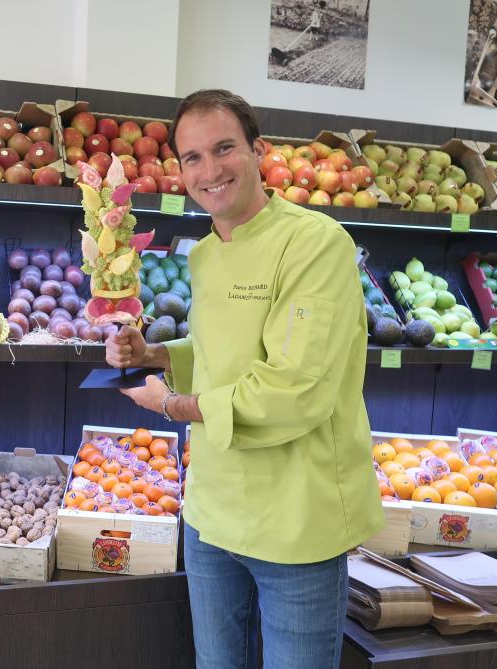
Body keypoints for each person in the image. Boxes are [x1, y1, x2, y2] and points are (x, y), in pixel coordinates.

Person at [105, 89, 383, 669]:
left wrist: (171, 406)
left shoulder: (316, 244)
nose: (210, 170)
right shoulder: (205, 254)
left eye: (224, 148)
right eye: (193, 157)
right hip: (212, 512)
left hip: (296, 519)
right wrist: (156, 354)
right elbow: (223, 351)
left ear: (258, 151)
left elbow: (294, 387)